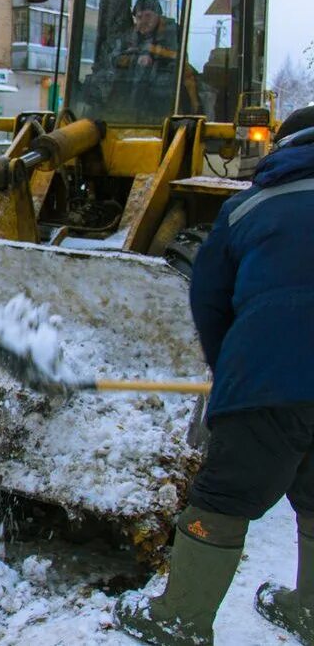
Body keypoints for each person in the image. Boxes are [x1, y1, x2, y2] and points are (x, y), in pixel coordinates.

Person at [114, 106, 314, 645]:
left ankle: (179, 619)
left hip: (272, 375)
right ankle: (310, 613)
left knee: (224, 496)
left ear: (282, 148)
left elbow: (209, 300)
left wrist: (234, 373)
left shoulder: (247, 207)